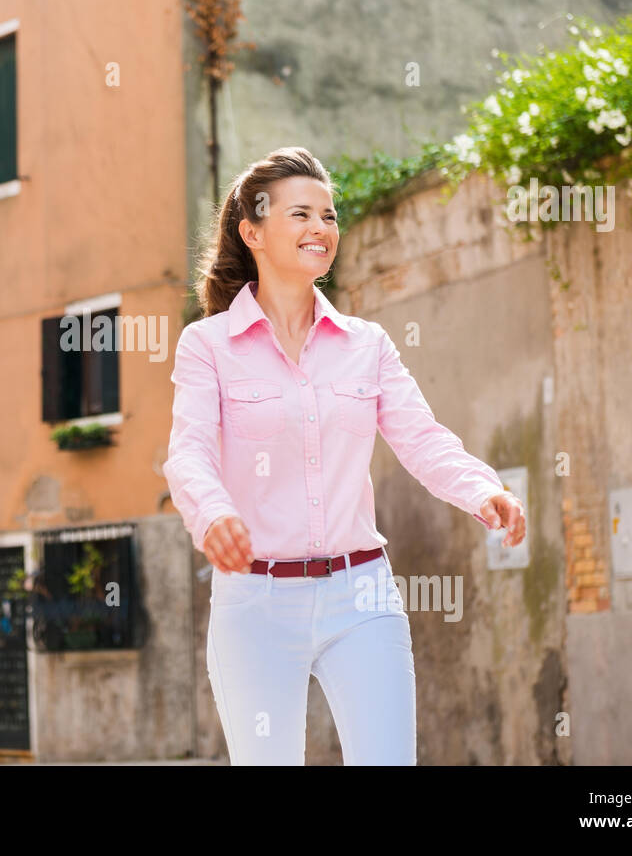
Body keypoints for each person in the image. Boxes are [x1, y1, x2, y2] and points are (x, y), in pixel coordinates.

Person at [162, 146, 527, 765]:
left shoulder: (366, 345)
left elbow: (420, 435)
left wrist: (481, 488)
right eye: (300, 214)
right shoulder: (209, 346)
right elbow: (188, 450)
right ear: (252, 231)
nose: (320, 229)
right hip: (255, 602)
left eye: (329, 216)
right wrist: (213, 513)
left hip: (361, 594)